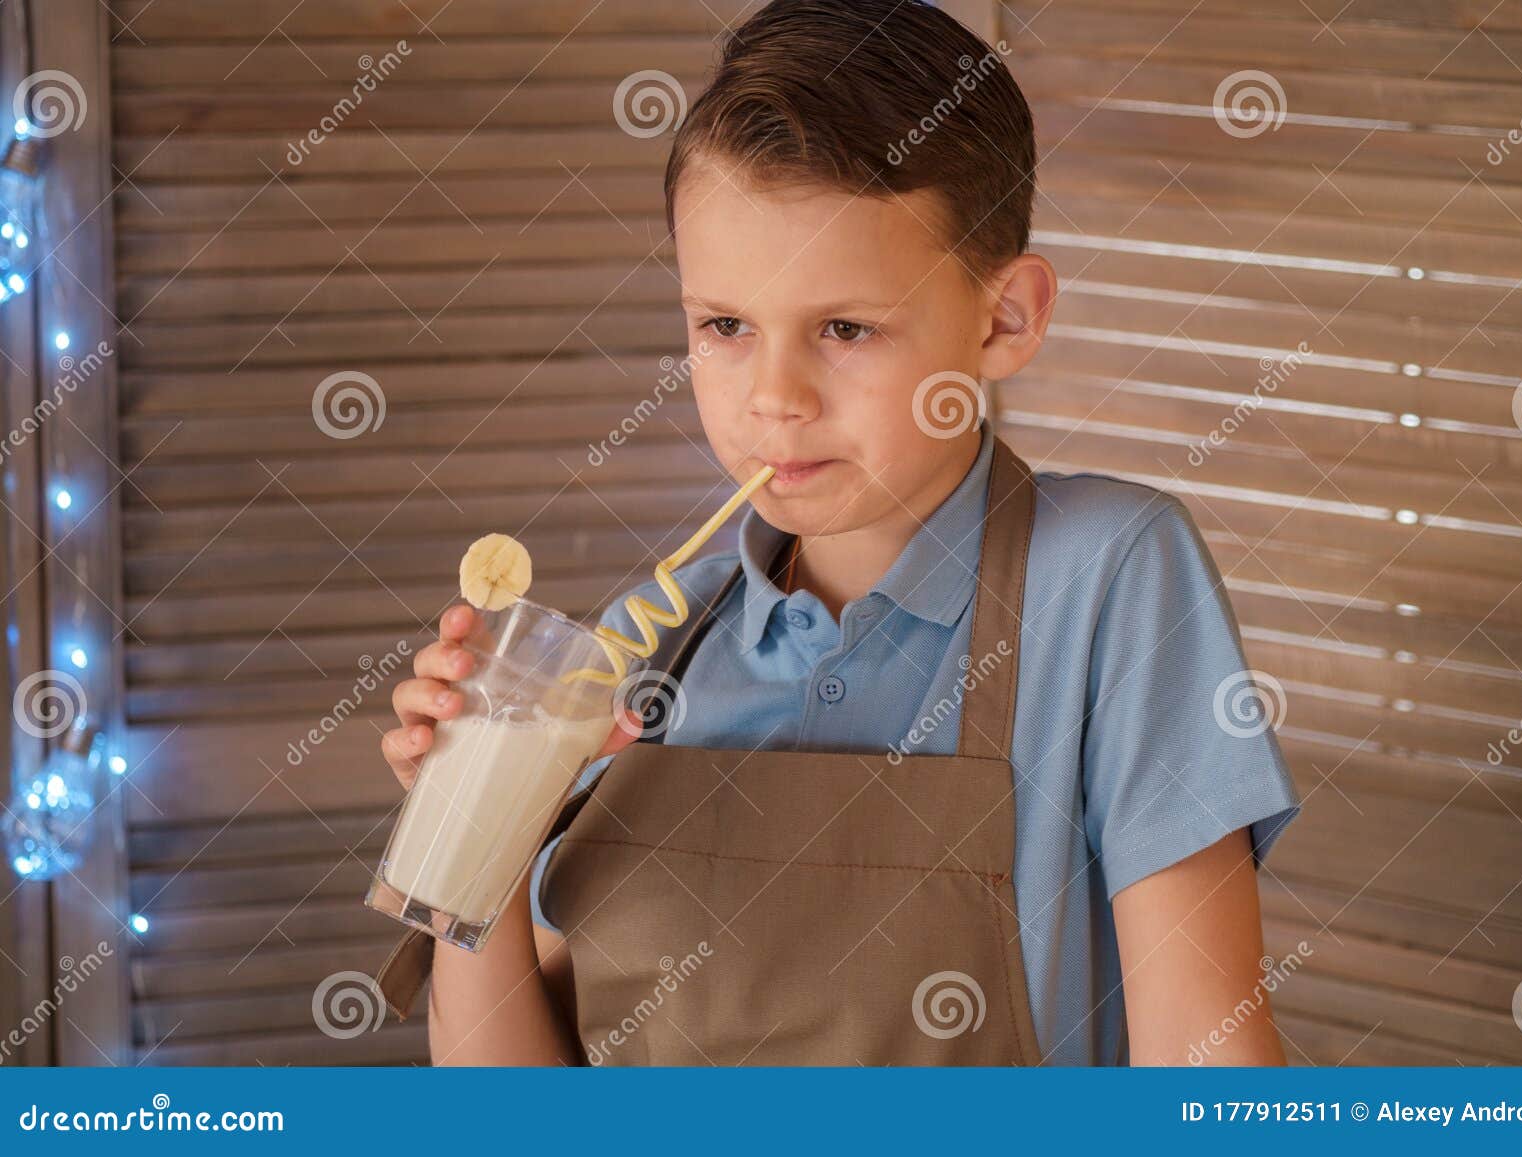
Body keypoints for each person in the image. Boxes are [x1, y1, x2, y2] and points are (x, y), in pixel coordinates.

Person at [379, 0, 1300, 1066]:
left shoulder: (1106, 576)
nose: (774, 398)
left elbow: (1209, 1060)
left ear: (1006, 318)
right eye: (724, 326)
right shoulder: (636, 651)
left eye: (846, 328)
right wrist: (466, 824)